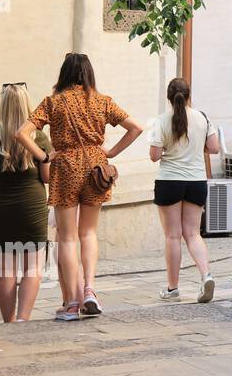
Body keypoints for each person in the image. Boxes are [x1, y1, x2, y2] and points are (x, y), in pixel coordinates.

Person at [16, 53, 142, 322]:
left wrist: (42, 156)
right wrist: (110, 153)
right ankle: (90, 290)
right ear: (88, 74)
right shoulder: (102, 101)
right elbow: (135, 128)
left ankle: (72, 304)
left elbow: (21, 133)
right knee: (88, 232)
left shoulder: (52, 103)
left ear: (64, 74)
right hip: (97, 167)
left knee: (68, 236)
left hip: (65, 167)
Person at [0, 83, 51, 323]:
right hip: (31, 209)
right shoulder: (38, 137)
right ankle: (22, 320)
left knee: (5, 269)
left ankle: (8, 321)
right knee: (32, 268)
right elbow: (47, 177)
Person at [148, 78, 220, 303]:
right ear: (189, 95)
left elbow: (154, 155)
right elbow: (214, 148)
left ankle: (172, 288)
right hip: (196, 181)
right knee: (193, 233)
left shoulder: (161, 121)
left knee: (172, 235)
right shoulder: (202, 118)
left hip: (169, 181)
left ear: (169, 98)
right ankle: (206, 275)